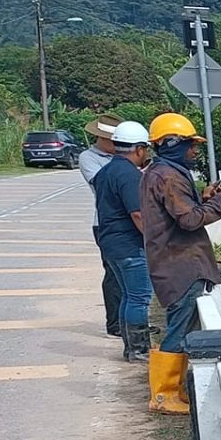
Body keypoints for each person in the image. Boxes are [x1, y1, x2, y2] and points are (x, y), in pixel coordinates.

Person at [139, 112, 221, 414]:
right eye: (191, 145)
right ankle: (163, 395)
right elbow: (189, 219)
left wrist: (205, 196)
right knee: (179, 329)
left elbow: (181, 208)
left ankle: (173, 390)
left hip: (177, 261)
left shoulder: (163, 172)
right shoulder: (168, 176)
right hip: (179, 264)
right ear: (173, 144)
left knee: (182, 327)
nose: (195, 151)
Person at [91, 121, 156, 362]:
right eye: (145, 150)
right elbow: (138, 214)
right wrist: (154, 240)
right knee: (139, 297)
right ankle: (138, 349)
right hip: (129, 245)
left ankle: (131, 348)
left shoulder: (105, 172)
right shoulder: (129, 175)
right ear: (139, 149)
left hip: (110, 242)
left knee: (128, 295)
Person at [80, 114, 123, 336]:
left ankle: (131, 323)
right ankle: (114, 323)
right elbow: (103, 184)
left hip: (129, 221)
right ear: (101, 139)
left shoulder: (123, 156)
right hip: (105, 223)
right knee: (114, 273)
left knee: (133, 275)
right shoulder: (88, 158)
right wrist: (123, 163)